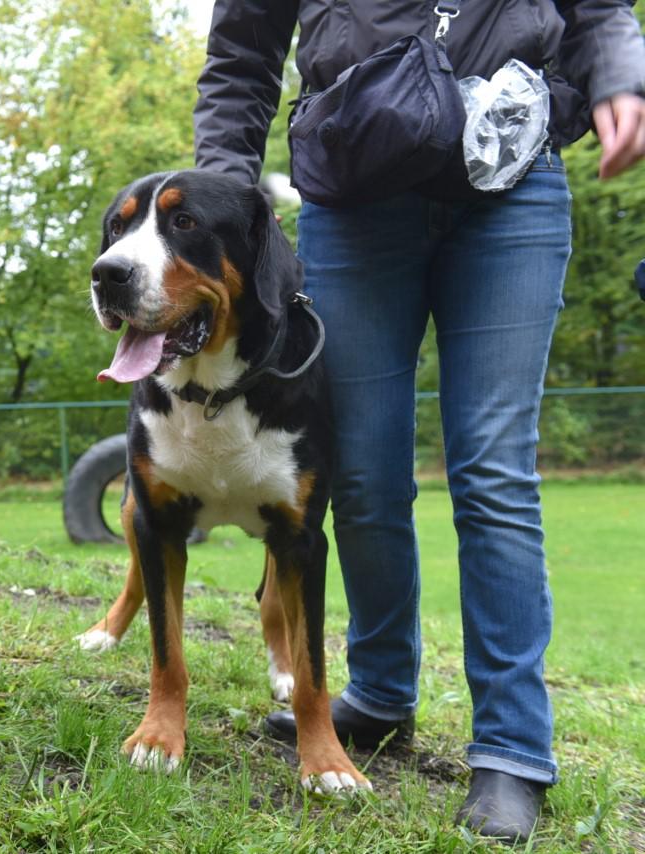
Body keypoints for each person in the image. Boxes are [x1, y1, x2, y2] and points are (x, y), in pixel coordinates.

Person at [193, 0, 645, 843]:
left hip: (512, 189)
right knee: (360, 473)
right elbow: (243, 55)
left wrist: (620, 77)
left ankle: (512, 750)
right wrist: (224, 193)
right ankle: (383, 693)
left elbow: (600, 12)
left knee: (493, 471)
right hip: (356, 190)